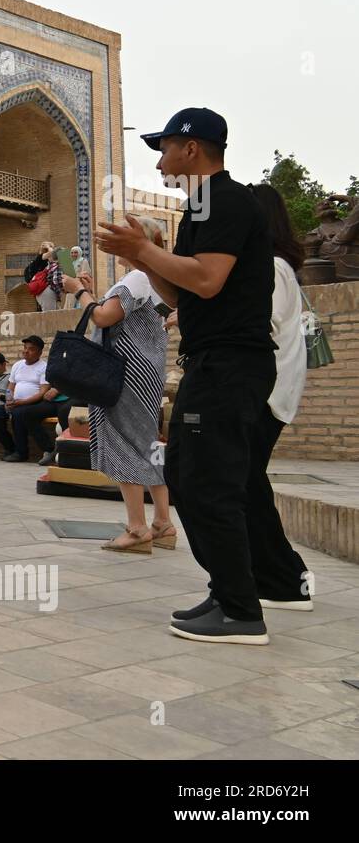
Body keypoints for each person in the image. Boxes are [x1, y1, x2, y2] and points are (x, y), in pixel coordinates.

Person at [97, 106, 275, 644]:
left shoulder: (224, 199)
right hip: (212, 361)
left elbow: (209, 280)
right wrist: (146, 261)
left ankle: (242, 611)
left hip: (230, 363)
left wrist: (143, 249)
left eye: (164, 149)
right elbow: (180, 291)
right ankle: (228, 595)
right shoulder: (201, 209)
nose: (158, 162)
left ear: (191, 148)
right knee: (198, 476)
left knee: (206, 483)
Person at [63, 217, 174, 555]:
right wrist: (93, 292)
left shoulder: (138, 277)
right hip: (145, 374)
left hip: (122, 375)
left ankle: (137, 528)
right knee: (146, 443)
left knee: (125, 443)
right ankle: (163, 524)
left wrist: (78, 292)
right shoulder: (159, 280)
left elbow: (103, 318)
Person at [244, 184, 313, 609]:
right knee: (246, 483)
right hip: (268, 392)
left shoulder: (269, 267)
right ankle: (275, 576)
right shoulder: (277, 267)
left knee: (245, 484)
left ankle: (285, 579)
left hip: (263, 394)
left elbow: (260, 325)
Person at [0, 335, 65, 465]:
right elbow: (10, 387)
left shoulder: (43, 367)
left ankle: (21, 452)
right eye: (25, 348)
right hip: (15, 402)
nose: (26, 351)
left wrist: (20, 403)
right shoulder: (18, 365)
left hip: (33, 403)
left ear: (39, 352)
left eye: (31, 349)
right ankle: (10, 448)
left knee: (19, 414)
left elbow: (42, 393)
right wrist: (9, 400)